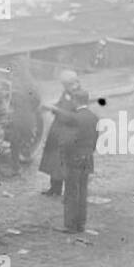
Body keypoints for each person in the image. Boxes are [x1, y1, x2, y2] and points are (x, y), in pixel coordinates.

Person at [39, 70, 88, 196]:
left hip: (70, 133)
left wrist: (55, 109)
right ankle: (55, 188)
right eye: (65, 85)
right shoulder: (66, 92)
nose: (66, 87)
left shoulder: (81, 95)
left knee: (66, 163)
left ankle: (70, 192)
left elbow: (75, 117)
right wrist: (52, 107)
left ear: (75, 82)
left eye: (68, 84)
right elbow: (61, 105)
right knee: (54, 162)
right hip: (58, 130)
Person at [59, 93, 101, 234]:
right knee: (83, 192)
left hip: (74, 158)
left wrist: (64, 154)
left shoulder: (74, 118)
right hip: (87, 157)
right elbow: (96, 139)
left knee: (71, 191)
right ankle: (81, 224)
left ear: (76, 101)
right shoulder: (94, 117)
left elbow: (69, 141)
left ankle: (70, 225)